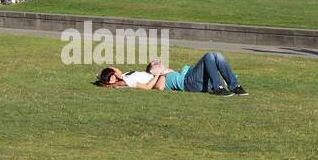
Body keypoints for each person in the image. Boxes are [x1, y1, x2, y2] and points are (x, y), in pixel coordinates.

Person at [95, 53, 248, 96]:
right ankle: (219, 87)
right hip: (188, 82)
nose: (115, 72)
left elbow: (111, 68)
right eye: (113, 74)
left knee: (216, 56)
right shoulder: (128, 82)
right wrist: (160, 73)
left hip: (189, 79)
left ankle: (235, 86)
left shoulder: (128, 75)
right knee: (209, 56)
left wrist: (102, 76)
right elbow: (151, 88)